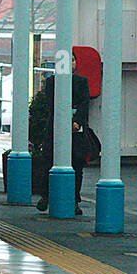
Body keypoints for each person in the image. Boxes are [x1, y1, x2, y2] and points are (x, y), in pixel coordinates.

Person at [35, 54, 93, 215]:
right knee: (49, 161)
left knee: (77, 164)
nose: (70, 63)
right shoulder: (52, 82)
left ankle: (74, 200)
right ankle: (46, 195)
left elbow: (85, 104)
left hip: (76, 130)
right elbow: (51, 104)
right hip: (56, 127)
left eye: (73, 60)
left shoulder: (82, 81)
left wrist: (77, 121)